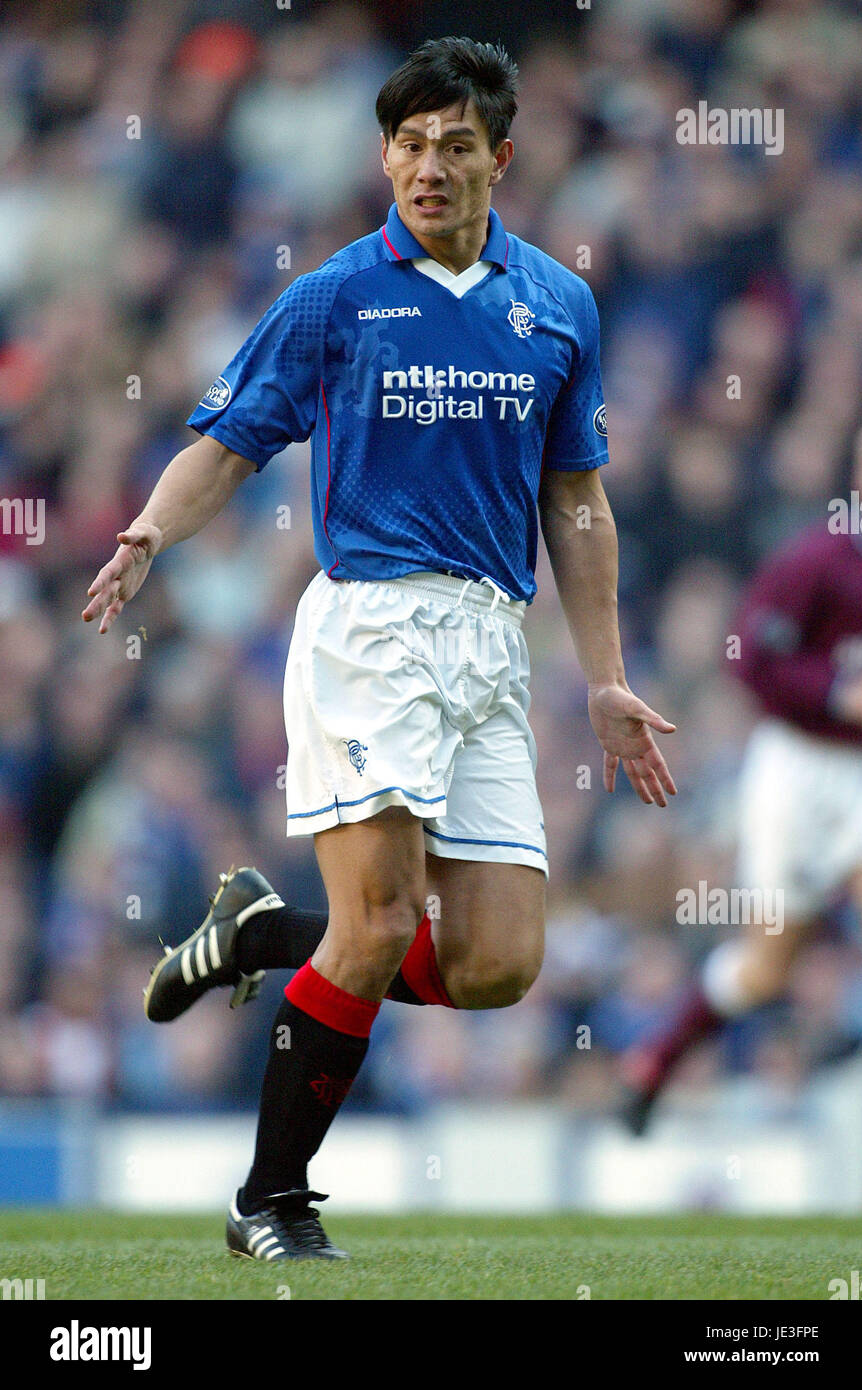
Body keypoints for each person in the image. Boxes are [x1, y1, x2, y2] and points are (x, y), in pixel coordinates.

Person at [84, 37, 676, 1260]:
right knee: (374, 924)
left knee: (496, 965)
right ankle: (268, 1199)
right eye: (408, 145)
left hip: (489, 646)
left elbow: (577, 504)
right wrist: (148, 530)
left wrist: (606, 675)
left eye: (455, 146)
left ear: (500, 159)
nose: (429, 167)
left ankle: (255, 936)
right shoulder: (336, 293)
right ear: (384, 157)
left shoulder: (557, 305)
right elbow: (231, 441)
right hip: (371, 628)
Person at [620, 424, 862, 1136]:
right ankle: (654, 1064)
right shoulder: (818, 561)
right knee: (766, 968)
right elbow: (751, 660)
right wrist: (835, 694)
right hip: (801, 768)